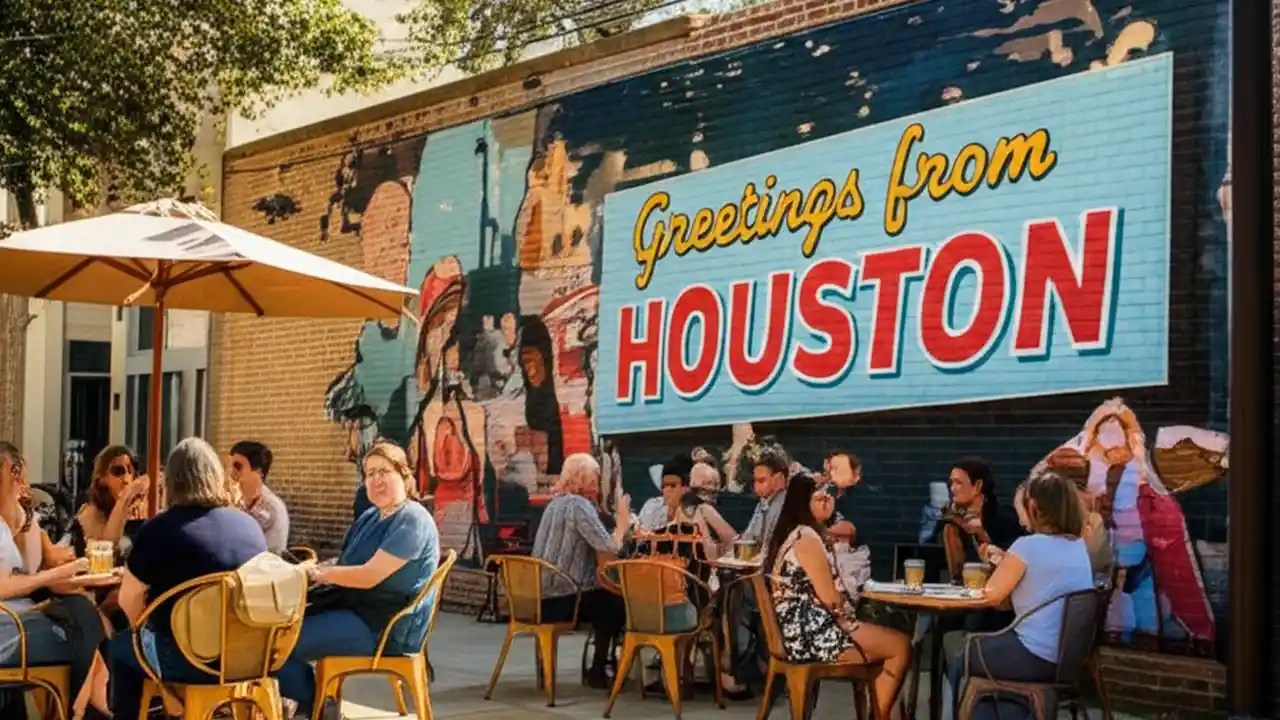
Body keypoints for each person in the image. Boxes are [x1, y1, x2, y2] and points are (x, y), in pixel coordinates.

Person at [107, 438, 268, 720]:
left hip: (183, 658)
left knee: (118, 648)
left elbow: (127, 599)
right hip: (247, 658)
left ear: (172, 482)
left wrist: (140, 631)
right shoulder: (250, 527)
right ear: (215, 477)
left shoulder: (158, 530)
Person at [279, 440, 439, 720]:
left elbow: (368, 575)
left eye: (384, 471)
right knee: (271, 632)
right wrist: (311, 568)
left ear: (404, 474)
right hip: (355, 611)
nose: (376, 480)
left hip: (382, 627)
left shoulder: (412, 520)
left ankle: (317, 704)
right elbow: (347, 563)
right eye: (369, 473)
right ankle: (315, 702)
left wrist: (321, 574)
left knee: (276, 646)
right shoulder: (371, 516)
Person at [947, 470, 1095, 718]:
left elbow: (992, 597)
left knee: (960, 655)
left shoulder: (1028, 546)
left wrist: (999, 565)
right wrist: (1007, 562)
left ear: (1033, 506)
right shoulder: (1078, 546)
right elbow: (1020, 594)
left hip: (1033, 654)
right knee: (988, 672)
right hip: (1065, 660)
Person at [765, 474, 911, 719]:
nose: (826, 502)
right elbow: (830, 598)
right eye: (819, 498)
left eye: (829, 497)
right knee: (899, 646)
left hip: (801, 630)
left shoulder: (799, 533)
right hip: (810, 635)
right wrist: (846, 614)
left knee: (885, 639)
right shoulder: (807, 538)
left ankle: (879, 713)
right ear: (803, 504)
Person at [0, 442, 105, 720]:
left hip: (16, 617)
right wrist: (54, 576)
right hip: (9, 628)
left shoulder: (12, 521)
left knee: (84, 613)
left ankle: (84, 703)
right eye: (18, 475)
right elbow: (5, 586)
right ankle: (86, 705)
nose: (24, 484)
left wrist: (24, 516)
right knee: (85, 624)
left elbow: (34, 565)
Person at [530, 453, 630, 689]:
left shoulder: (553, 504)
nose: (597, 482)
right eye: (594, 477)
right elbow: (609, 547)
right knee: (617, 604)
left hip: (537, 599)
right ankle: (599, 669)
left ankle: (598, 666)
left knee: (605, 599)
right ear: (584, 478)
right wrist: (622, 524)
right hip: (564, 600)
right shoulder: (579, 506)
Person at [75, 446, 151, 547]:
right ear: (102, 479)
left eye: (130, 471)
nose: (126, 478)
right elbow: (106, 547)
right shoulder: (91, 513)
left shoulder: (137, 507)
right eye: (118, 471)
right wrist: (124, 499)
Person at [229, 441, 290, 554]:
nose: (231, 473)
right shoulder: (239, 499)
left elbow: (242, 541)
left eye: (238, 467)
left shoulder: (270, 507)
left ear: (259, 472)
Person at [741, 443, 789, 547]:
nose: (756, 488)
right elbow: (748, 538)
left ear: (779, 479)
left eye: (761, 481)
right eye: (755, 481)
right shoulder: (762, 503)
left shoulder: (787, 506)